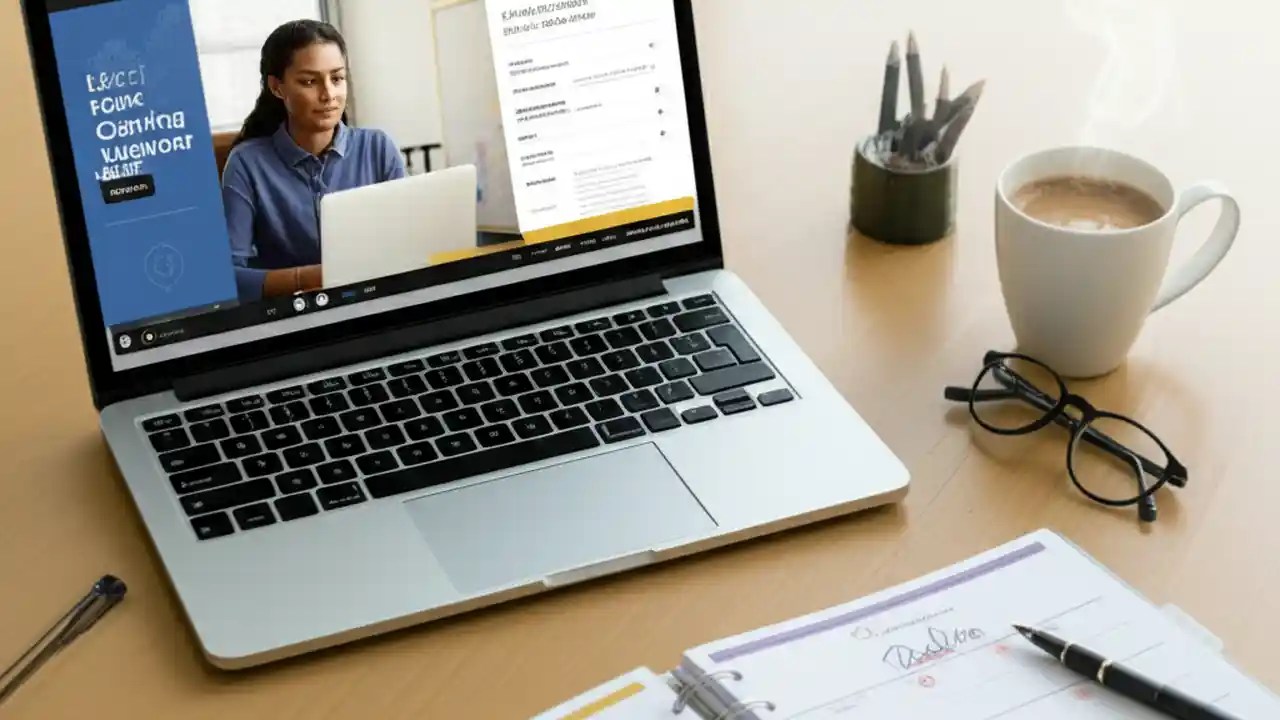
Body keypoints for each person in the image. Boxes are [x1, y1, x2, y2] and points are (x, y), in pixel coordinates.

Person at [221, 20, 406, 301]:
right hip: (295, 320)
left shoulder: (378, 147)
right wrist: (312, 278)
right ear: (277, 87)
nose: (329, 95)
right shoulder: (246, 164)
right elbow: (228, 278)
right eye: (309, 81)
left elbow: (409, 245)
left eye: (337, 78)